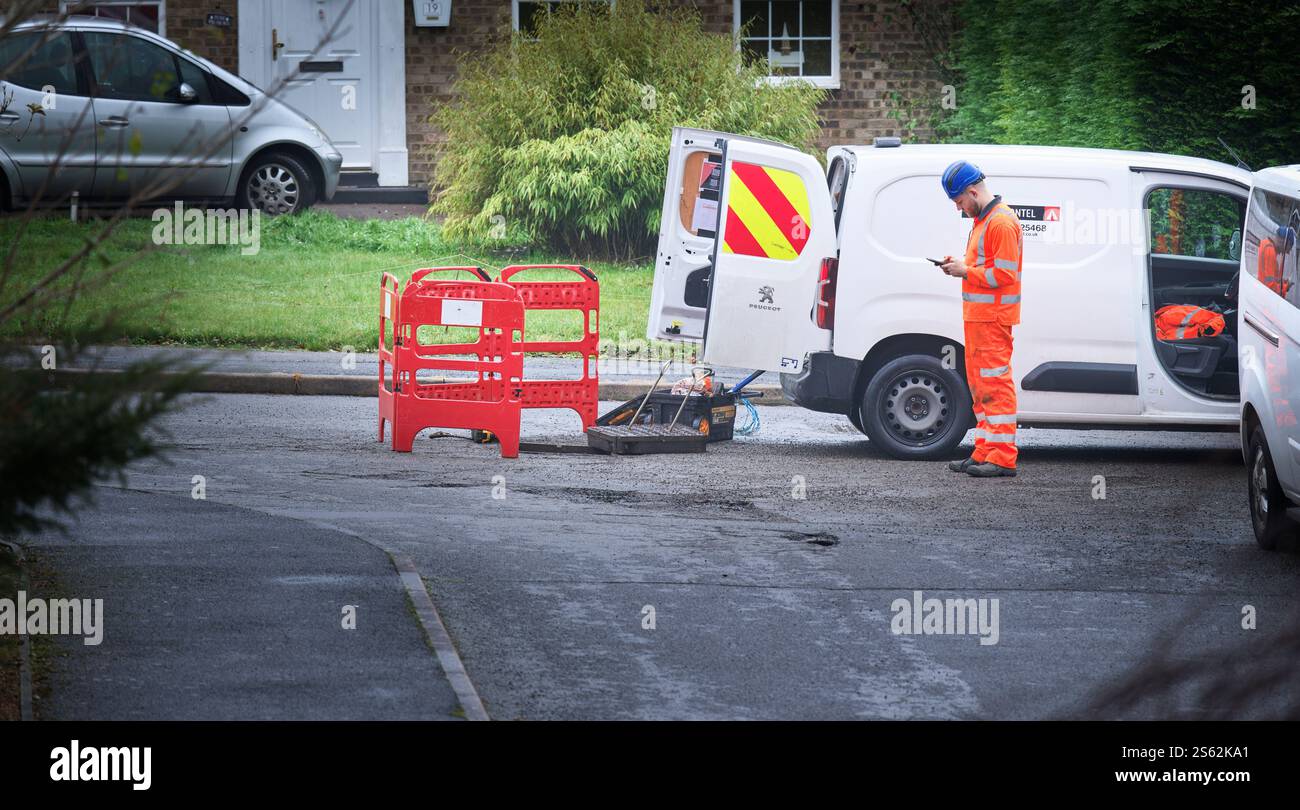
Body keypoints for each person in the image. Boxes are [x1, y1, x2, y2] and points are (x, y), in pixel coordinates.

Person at [937, 161, 1023, 477]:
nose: (960, 208)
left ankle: (1001, 459)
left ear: (973, 192)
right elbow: (985, 266)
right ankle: (984, 452)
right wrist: (961, 265)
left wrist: (965, 271)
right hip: (979, 319)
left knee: (995, 386)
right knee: (981, 388)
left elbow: (1004, 273)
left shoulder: (1000, 223)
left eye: (960, 202)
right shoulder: (985, 220)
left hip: (992, 319)